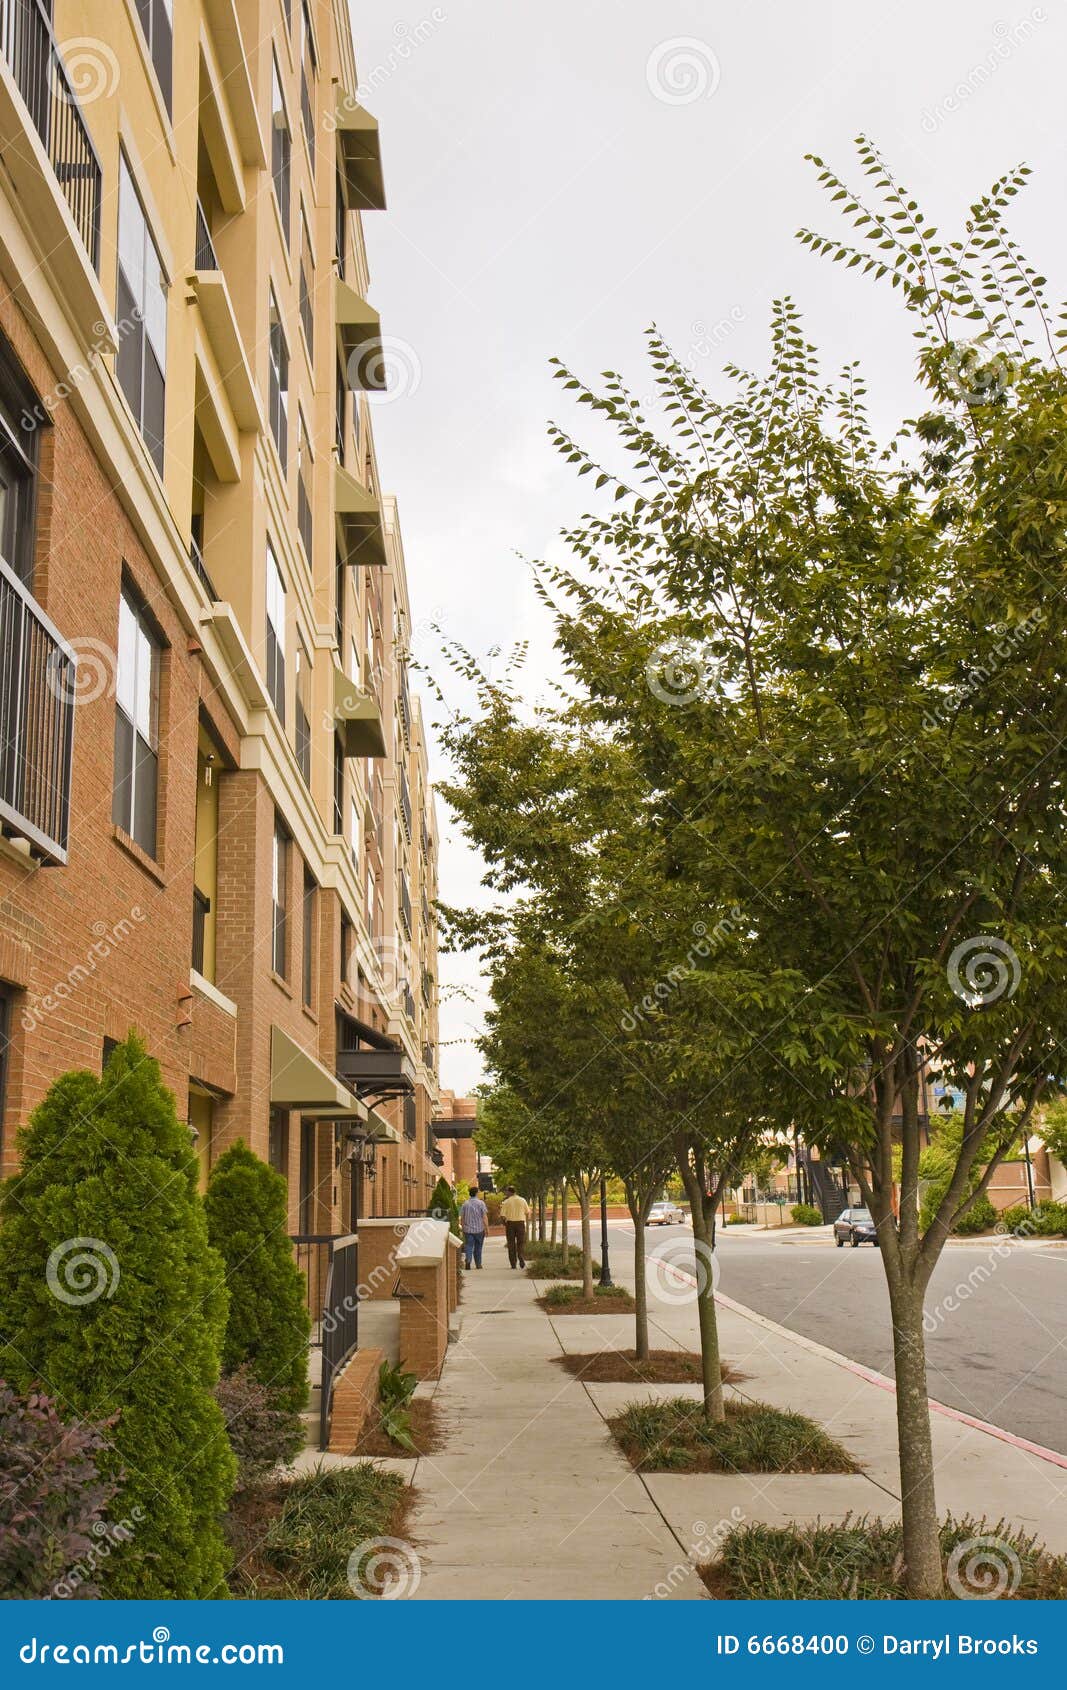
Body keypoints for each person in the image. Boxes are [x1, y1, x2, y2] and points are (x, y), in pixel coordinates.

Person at [500, 1187, 531, 1269]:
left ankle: (513, 1263)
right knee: (521, 1242)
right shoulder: (522, 1200)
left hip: (510, 1224)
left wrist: (505, 1223)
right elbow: (527, 1212)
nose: (506, 1193)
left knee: (511, 1243)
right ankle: (520, 1255)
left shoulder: (506, 1202)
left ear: (509, 1192)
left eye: (506, 1191)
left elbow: (503, 1216)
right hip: (520, 1223)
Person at [459, 1186, 489, 1269]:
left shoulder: (465, 1204)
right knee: (478, 1247)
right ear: (476, 1193)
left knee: (469, 1246)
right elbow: (484, 1217)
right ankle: (478, 1264)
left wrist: (462, 1228)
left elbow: (462, 1217)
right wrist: (487, 1228)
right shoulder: (481, 1203)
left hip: (468, 1230)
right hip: (479, 1229)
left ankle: (468, 1261)